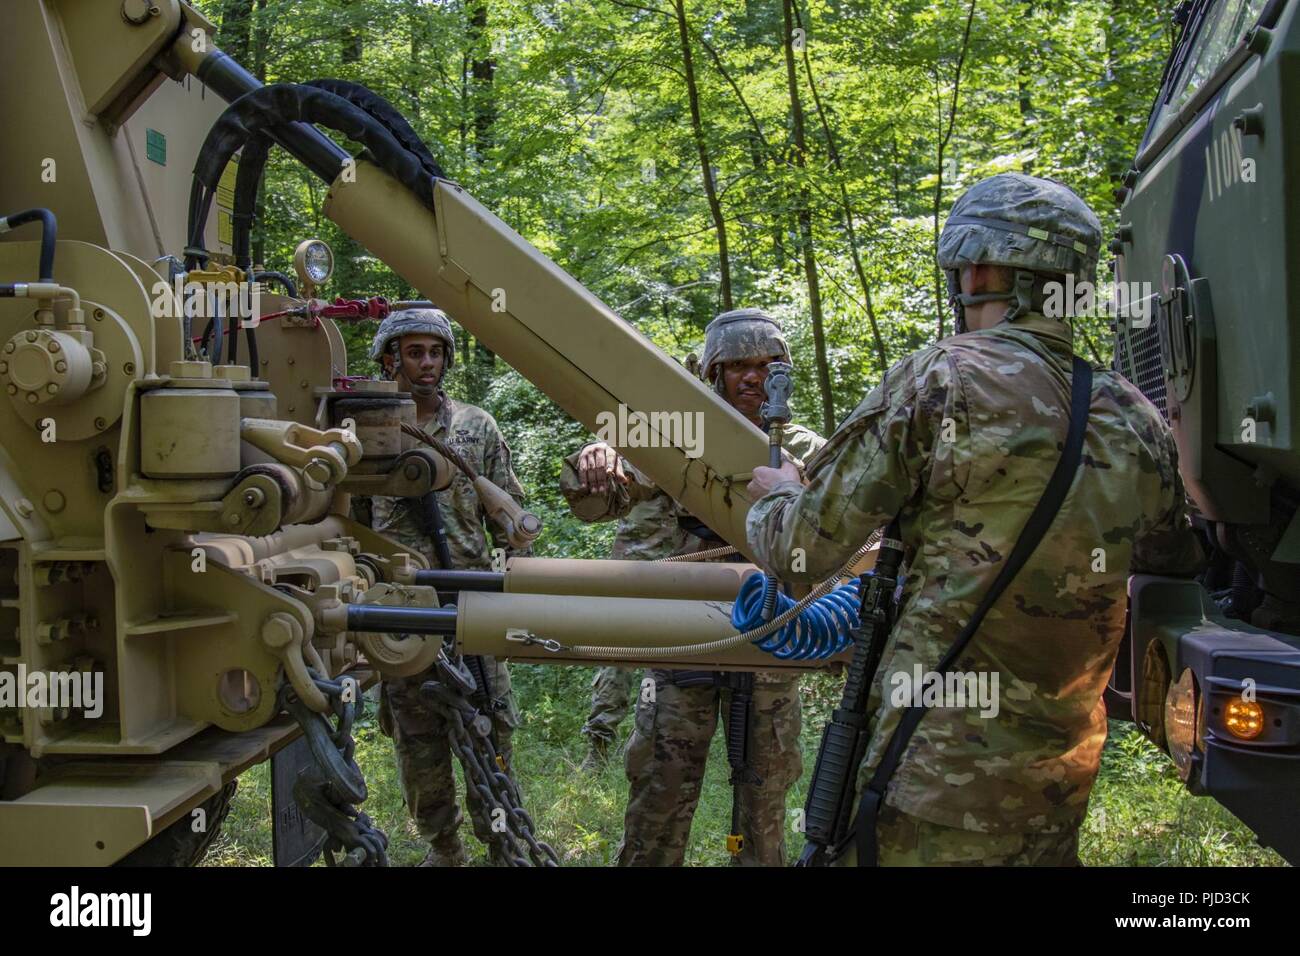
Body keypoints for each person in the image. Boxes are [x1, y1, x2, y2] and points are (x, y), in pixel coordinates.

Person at [745, 173, 1204, 866]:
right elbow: (1173, 560)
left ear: (984, 269)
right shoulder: (1135, 417)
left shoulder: (939, 381)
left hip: (930, 784)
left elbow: (801, 552)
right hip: (1056, 788)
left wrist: (778, 493)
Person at [561, 308, 824, 865]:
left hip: (771, 634)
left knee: (765, 794)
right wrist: (600, 454)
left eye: (768, 365)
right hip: (686, 633)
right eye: (738, 367)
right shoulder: (673, 436)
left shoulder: (806, 448)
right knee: (661, 782)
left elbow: (855, 526)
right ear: (711, 374)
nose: (754, 377)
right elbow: (592, 503)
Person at [357, 307, 530, 867]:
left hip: (470, 603)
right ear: (390, 359)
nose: (426, 363)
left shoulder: (476, 427)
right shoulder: (369, 430)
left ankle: (501, 842)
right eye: (413, 352)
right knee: (418, 738)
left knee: (491, 727)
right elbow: (351, 523)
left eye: (434, 352)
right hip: (403, 609)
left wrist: (515, 533)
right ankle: (444, 848)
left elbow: (509, 506)